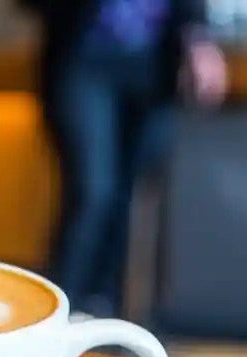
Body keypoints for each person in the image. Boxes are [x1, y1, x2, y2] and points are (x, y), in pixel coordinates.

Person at [21, 0, 227, 318]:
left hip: (155, 64)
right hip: (82, 57)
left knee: (128, 198)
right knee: (93, 191)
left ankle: (106, 310)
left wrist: (199, 39)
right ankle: (59, 310)